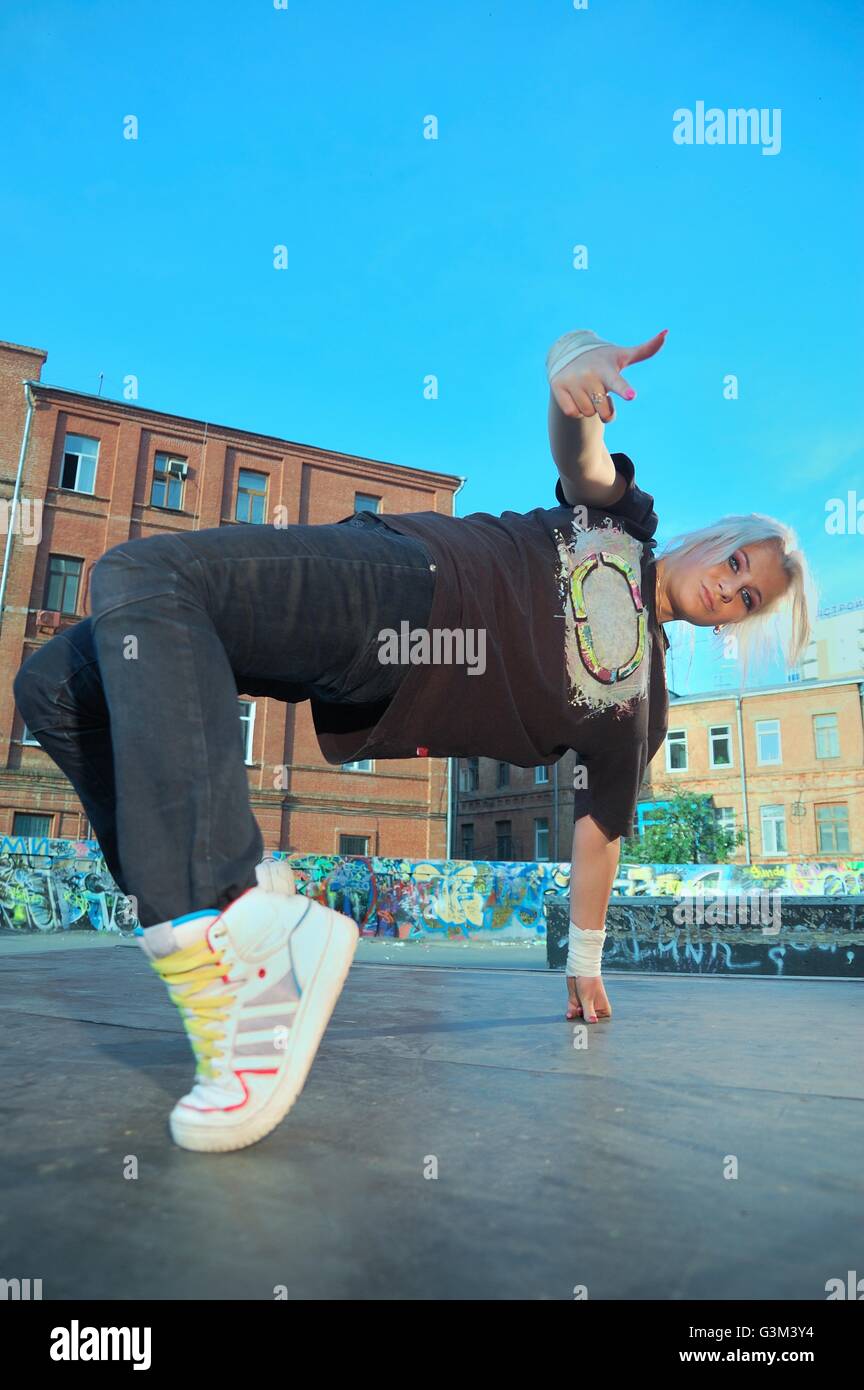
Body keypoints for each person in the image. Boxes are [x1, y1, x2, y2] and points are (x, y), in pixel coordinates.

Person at [12, 326, 814, 1153]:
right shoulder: (628, 528)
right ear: (720, 536)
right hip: (411, 580)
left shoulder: (639, 709)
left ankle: (230, 926)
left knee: (144, 578)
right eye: (738, 562)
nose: (729, 588)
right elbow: (586, 460)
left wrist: (585, 959)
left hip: (377, 678)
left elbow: (598, 833)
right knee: (54, 689)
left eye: (748, 599)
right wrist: (567, 372)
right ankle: (227, 921)